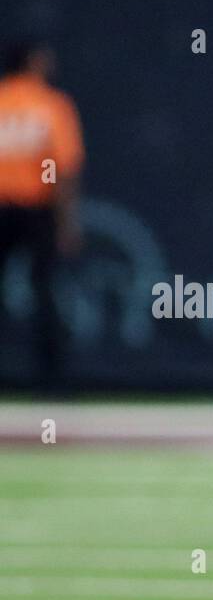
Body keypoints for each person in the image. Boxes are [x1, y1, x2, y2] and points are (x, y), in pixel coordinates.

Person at [0, 41, 84, 391]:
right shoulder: (50, 105)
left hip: (4, 209)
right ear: (33, 62)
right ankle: (51, 379)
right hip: (37, 210)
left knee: (43, 290)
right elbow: (64, 169)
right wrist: (67, 221)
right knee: (45, 291)